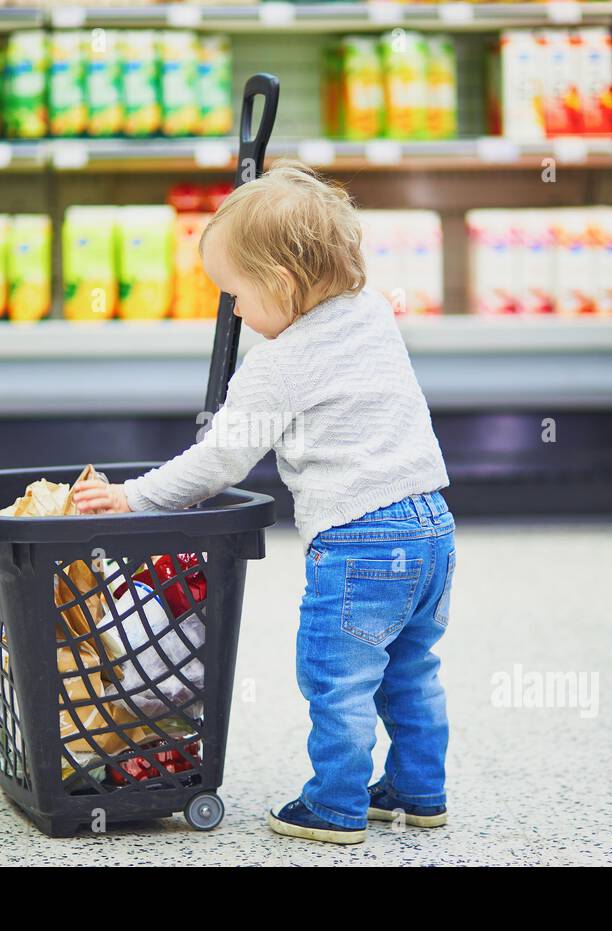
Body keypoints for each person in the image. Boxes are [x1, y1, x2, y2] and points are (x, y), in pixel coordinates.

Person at [73, 161, 455, 845]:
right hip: (432, 528)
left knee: (337, 678)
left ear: (281, 285)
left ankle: (335, 806)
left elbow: (218, 462)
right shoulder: (368, 314)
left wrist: (130, 497)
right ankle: (418, 791)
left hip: (360, 538)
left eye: (237, 296)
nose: (236, 312)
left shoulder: (278, 364)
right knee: (410, 670)